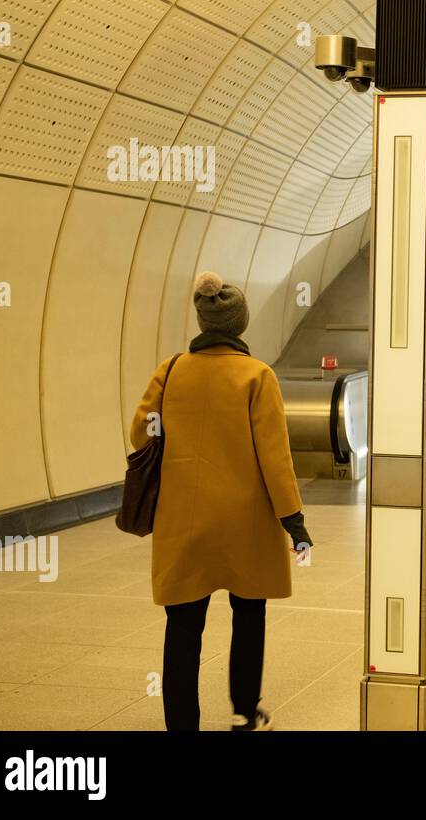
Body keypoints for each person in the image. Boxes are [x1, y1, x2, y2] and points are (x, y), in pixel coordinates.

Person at [130, 271, 312, 732]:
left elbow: (140, 434)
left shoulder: (169, 371)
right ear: (240, 324)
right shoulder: (256, 376)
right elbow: (275, 458)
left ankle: (181, 726)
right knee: (249, 612)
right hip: (243, 523)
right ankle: (243, 713)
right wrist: (294, 520)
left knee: (183, 628)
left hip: (182, 524)